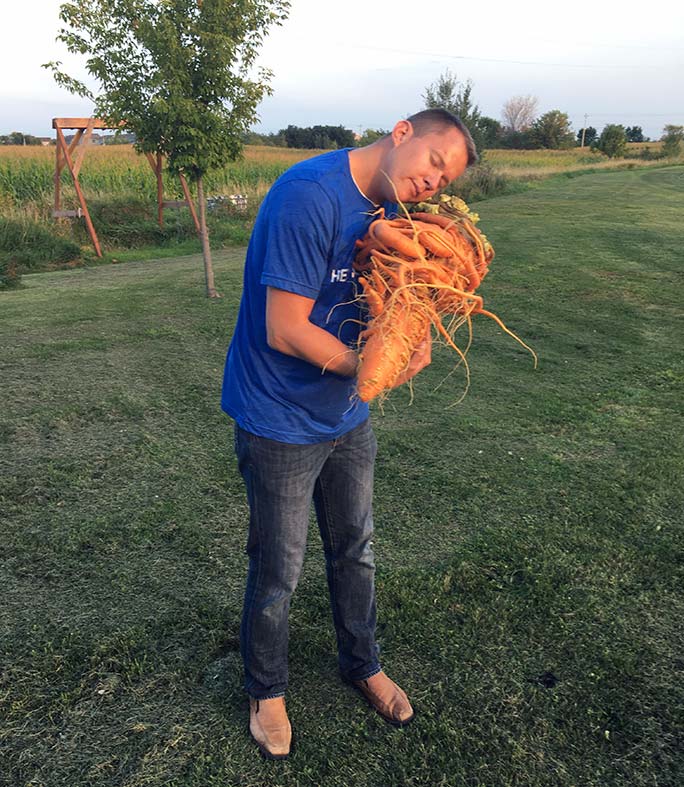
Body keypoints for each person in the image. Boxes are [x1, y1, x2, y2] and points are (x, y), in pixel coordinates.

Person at [221, 108, 477, 759]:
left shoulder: (396, 215)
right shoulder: (309, 195)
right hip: (278, 416)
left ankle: (362, 662)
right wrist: (367, 367)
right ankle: (267, 689)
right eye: (433, 163)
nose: (432, 184)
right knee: (279, 566)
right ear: (401, 133)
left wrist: (414, 324)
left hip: (345, 417)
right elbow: (284, 327)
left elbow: (389, 294)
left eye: (445, 181)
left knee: (354, 549)